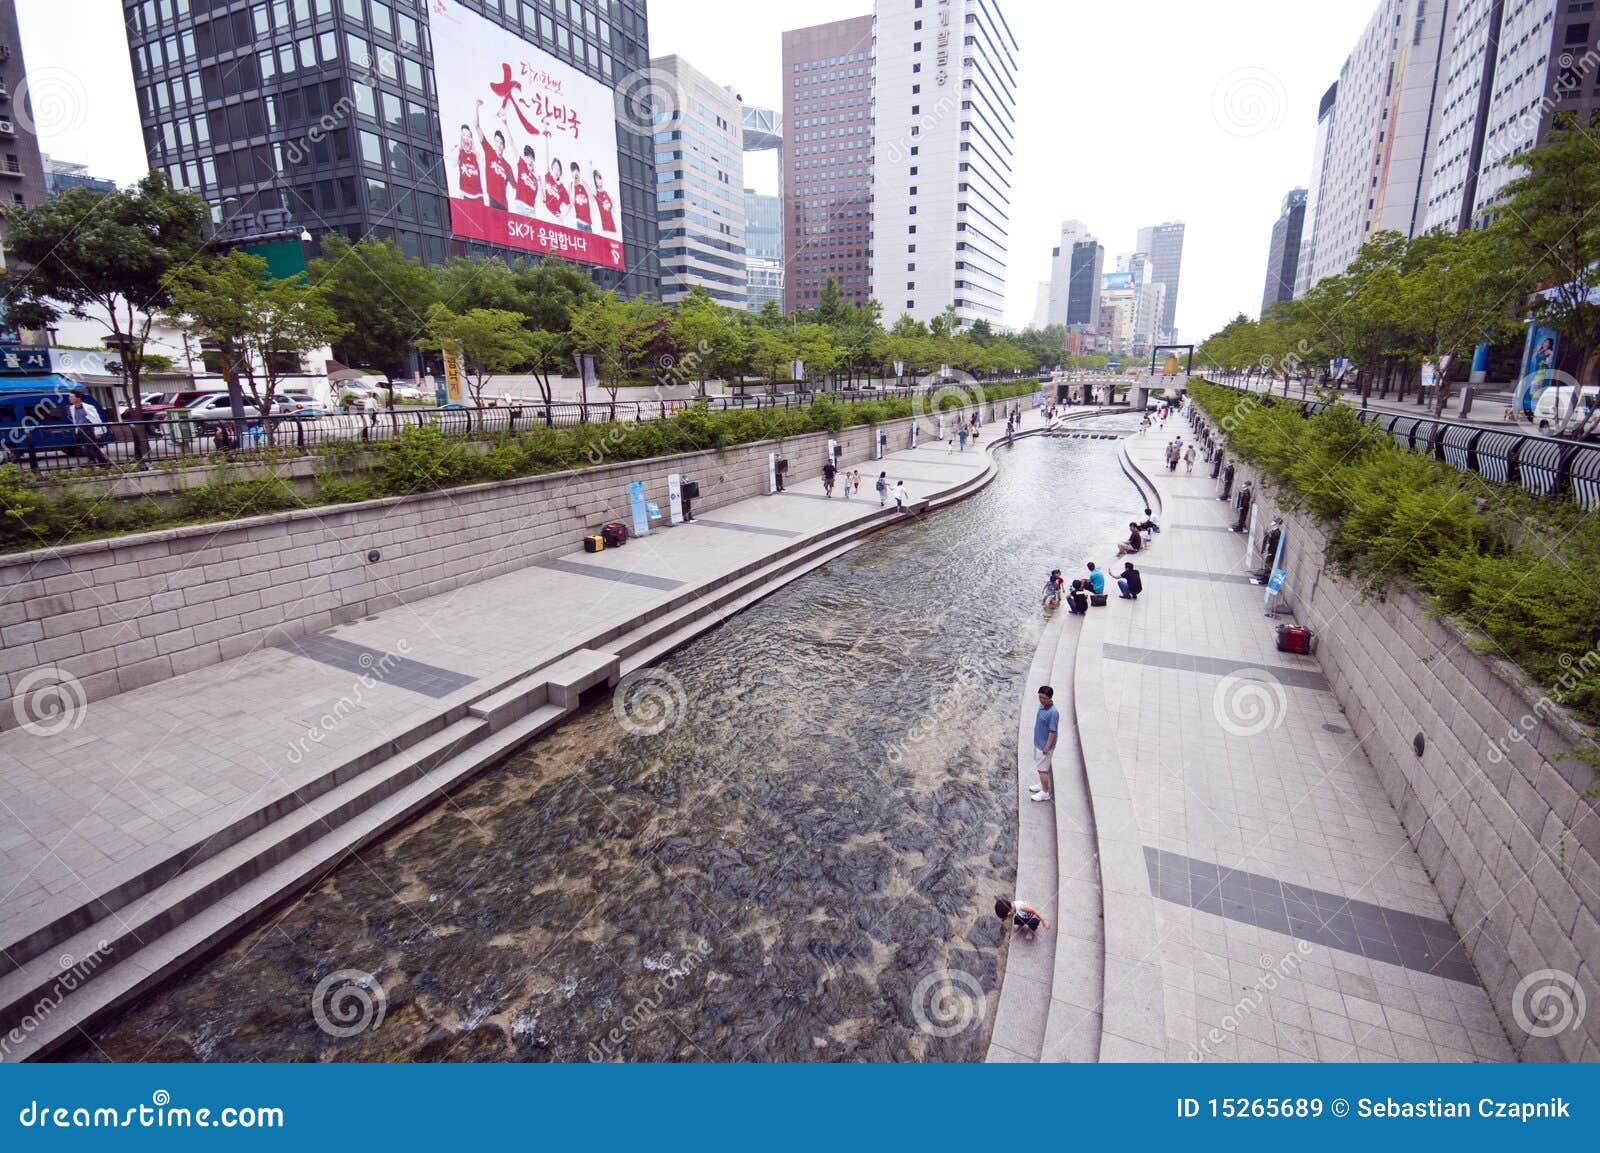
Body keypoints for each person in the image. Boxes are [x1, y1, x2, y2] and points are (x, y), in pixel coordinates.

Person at [1030, 685, 1058, 802]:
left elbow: (1052, 731)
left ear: (1050, 698)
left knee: (1043, 770)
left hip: (1044, 746)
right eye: (1040, 697)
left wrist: (1047, 746)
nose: (1041, 700)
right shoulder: (1042, 706)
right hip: (1038, 742)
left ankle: (1045, 793)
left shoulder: (1053, 713)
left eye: (1044, 698)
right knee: (1040, 767)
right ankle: (1042, 785)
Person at [68, 394, 109, 465]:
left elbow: (96, 419)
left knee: (92, 447)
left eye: (72, 397)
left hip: (89, 429)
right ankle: (95, 461)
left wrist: (98, 431)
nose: (70, 398)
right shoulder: (72, 408)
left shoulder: (88, 407)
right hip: (80, 430)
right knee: (86, 448)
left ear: (78, 398)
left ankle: (100, 462)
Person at [570, 162, 593, 232]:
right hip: (579, 223)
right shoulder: (571, 186)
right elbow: (572, 203)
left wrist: (585, 185)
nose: (576, 177)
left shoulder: (584, 184)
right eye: (574, 175)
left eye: (577, 174)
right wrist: (574, 184)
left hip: (588, 224)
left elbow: (592, 199)